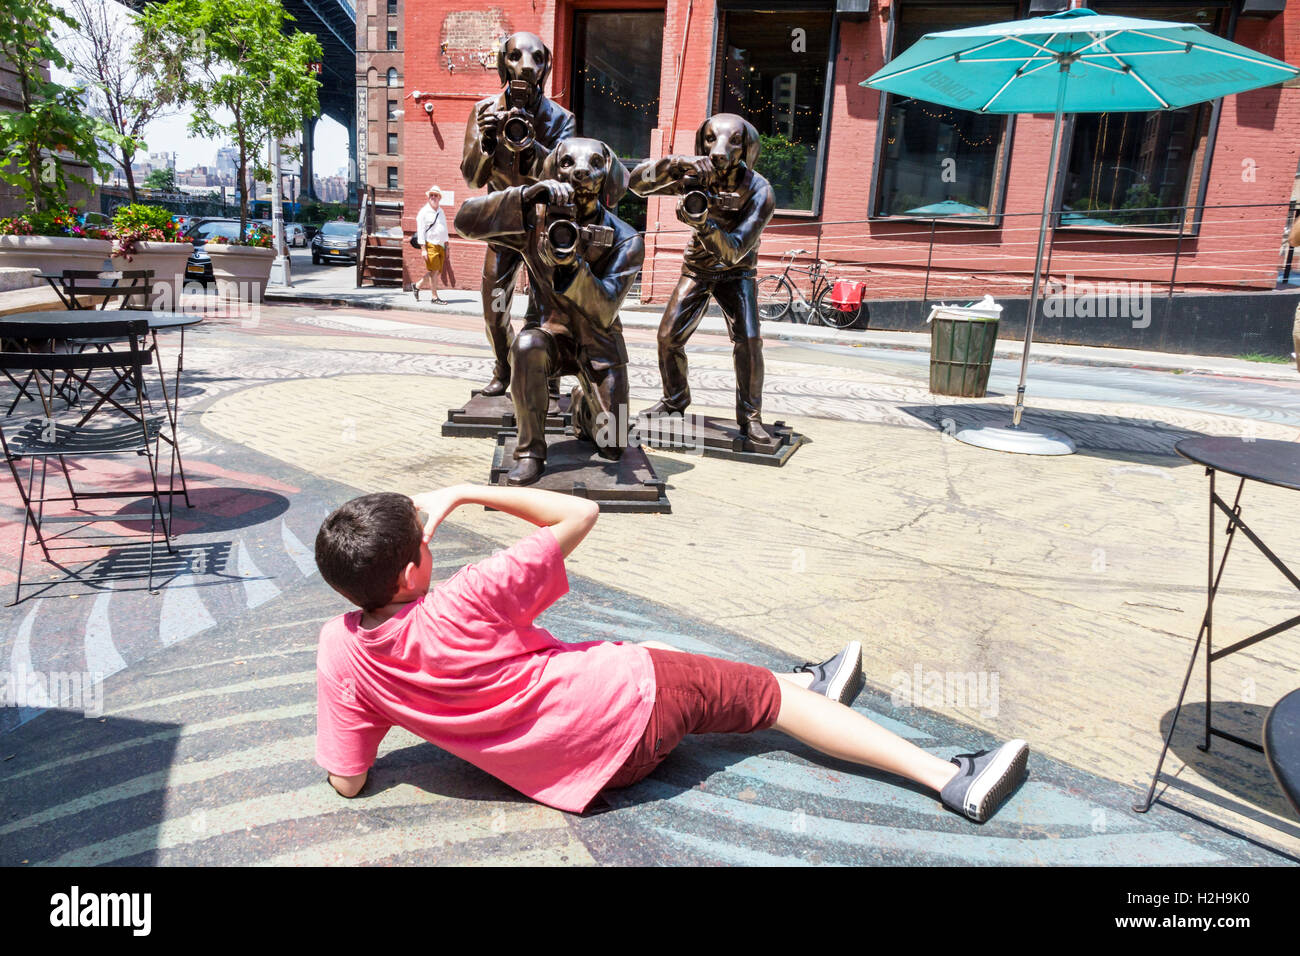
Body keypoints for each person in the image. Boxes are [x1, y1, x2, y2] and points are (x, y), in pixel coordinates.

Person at [313, 485, 1031, 824]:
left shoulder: (342, 653)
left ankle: (807, 681)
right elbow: (580, 512)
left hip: (572, 774)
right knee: (764, 703)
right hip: (631, 712)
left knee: (656, 653)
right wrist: (469, 493)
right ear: (412, 573)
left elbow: (347, 781)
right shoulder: (470, 594)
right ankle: (949, 777)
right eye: (425, 542)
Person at [454, 137, 640, 486]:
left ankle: (585, 405)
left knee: (613, 445)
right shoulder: (530, 222)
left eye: (593, 164)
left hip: (598, 342)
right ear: (555, 170)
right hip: (547, 334)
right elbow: (464, 221)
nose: (581, 171)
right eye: (568, 163)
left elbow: (605, 310)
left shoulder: (625, 239)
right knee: (524, 347)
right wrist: (524, 195)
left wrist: (574, 265)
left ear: (608, 176)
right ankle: (530, 452)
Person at [629, 114, 775, 444]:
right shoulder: (696, 172)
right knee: (668, 337)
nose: (719, 151)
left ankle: (751, 416)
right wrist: (678, 164)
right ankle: (674, 401)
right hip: (697, 268)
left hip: (738, 272)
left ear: (747, 148)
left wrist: (702, 223)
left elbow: (733, 251)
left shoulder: (760, 190)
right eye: (710, 140)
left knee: (749, 340)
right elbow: (635, 183)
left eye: (732, 142)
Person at [461, 31, 575, 397]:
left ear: (546, 66)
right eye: (515, 57)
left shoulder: (561, 119)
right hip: (501, 223)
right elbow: (471, 177)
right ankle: (504, 367)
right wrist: (487, 143)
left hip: (543, 226)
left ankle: (548, 375)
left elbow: (562, 178)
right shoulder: (483, 112)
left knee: (547, 310)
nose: (527, 66)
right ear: (503, 62)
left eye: (537, 58)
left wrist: (531, 144)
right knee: (495, 309)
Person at [413, 185, 452, 304]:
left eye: (435, 195)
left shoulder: (441, 211)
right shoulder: (423, 212)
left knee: (436, 271)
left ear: (439, 197)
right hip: (430, 245)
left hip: (441, 245)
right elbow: (420, 231)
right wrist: (423, 249)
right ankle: (434, 297)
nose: (433, 197)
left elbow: (444, 228)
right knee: (434, 271)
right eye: (431, 195)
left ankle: (417, 285)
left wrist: (447, 245)